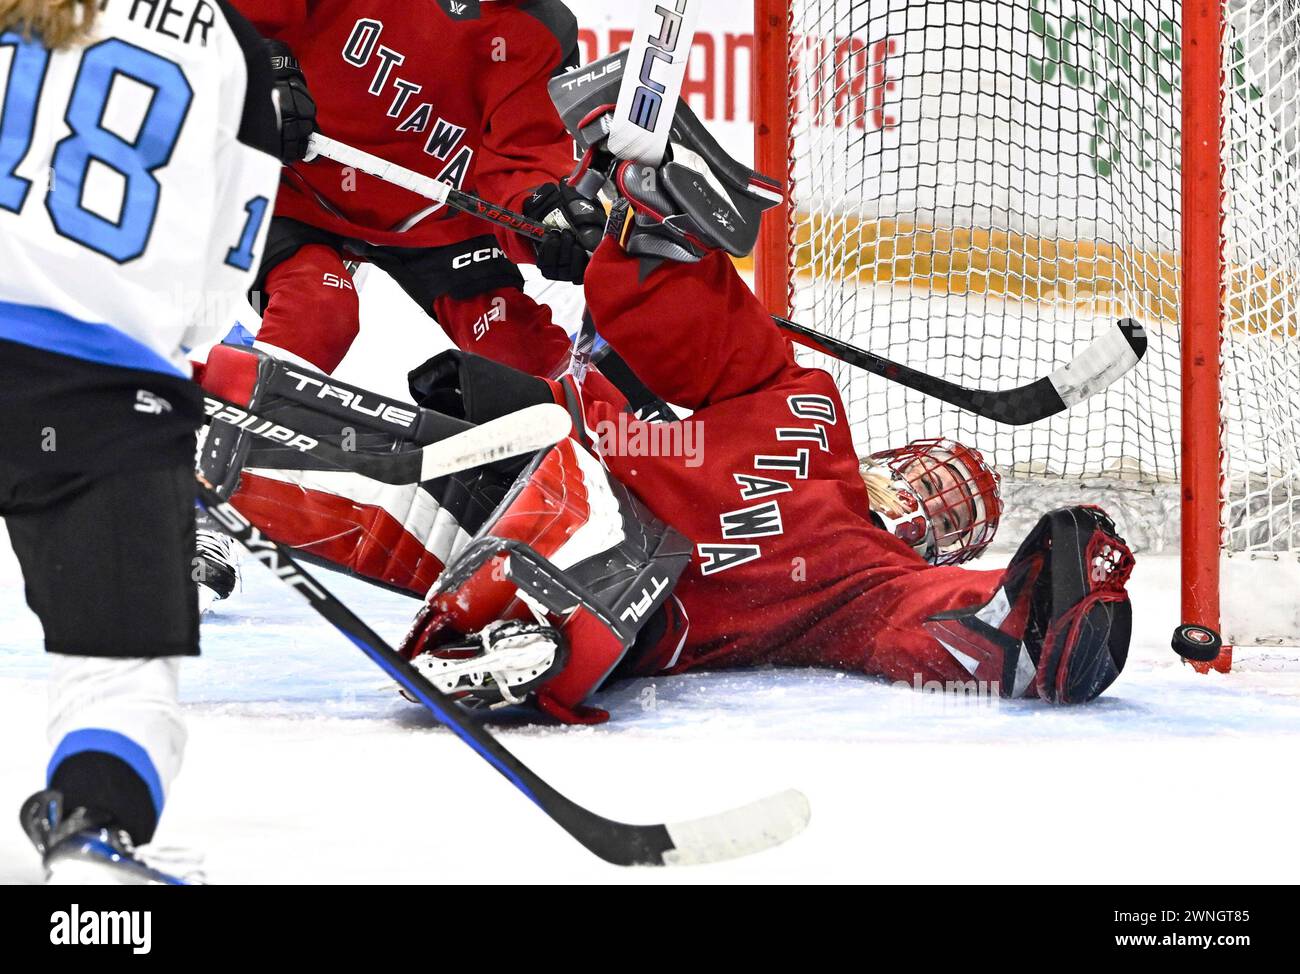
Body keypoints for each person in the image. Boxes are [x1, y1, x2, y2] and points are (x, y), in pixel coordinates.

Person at [193, 0, 616, 606]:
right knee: (318, 307)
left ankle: (612, 497)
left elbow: (518, 162)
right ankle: (207, 499)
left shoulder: (539, 28)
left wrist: (541, 215)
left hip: (436, 220)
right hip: (301, 188)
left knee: (517, 356)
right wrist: (264, 66)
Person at [0, 0, 281, 882]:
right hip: (99, 392)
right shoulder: (231, 43)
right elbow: (222, 279)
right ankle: (89, 848)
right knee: (118, 680)